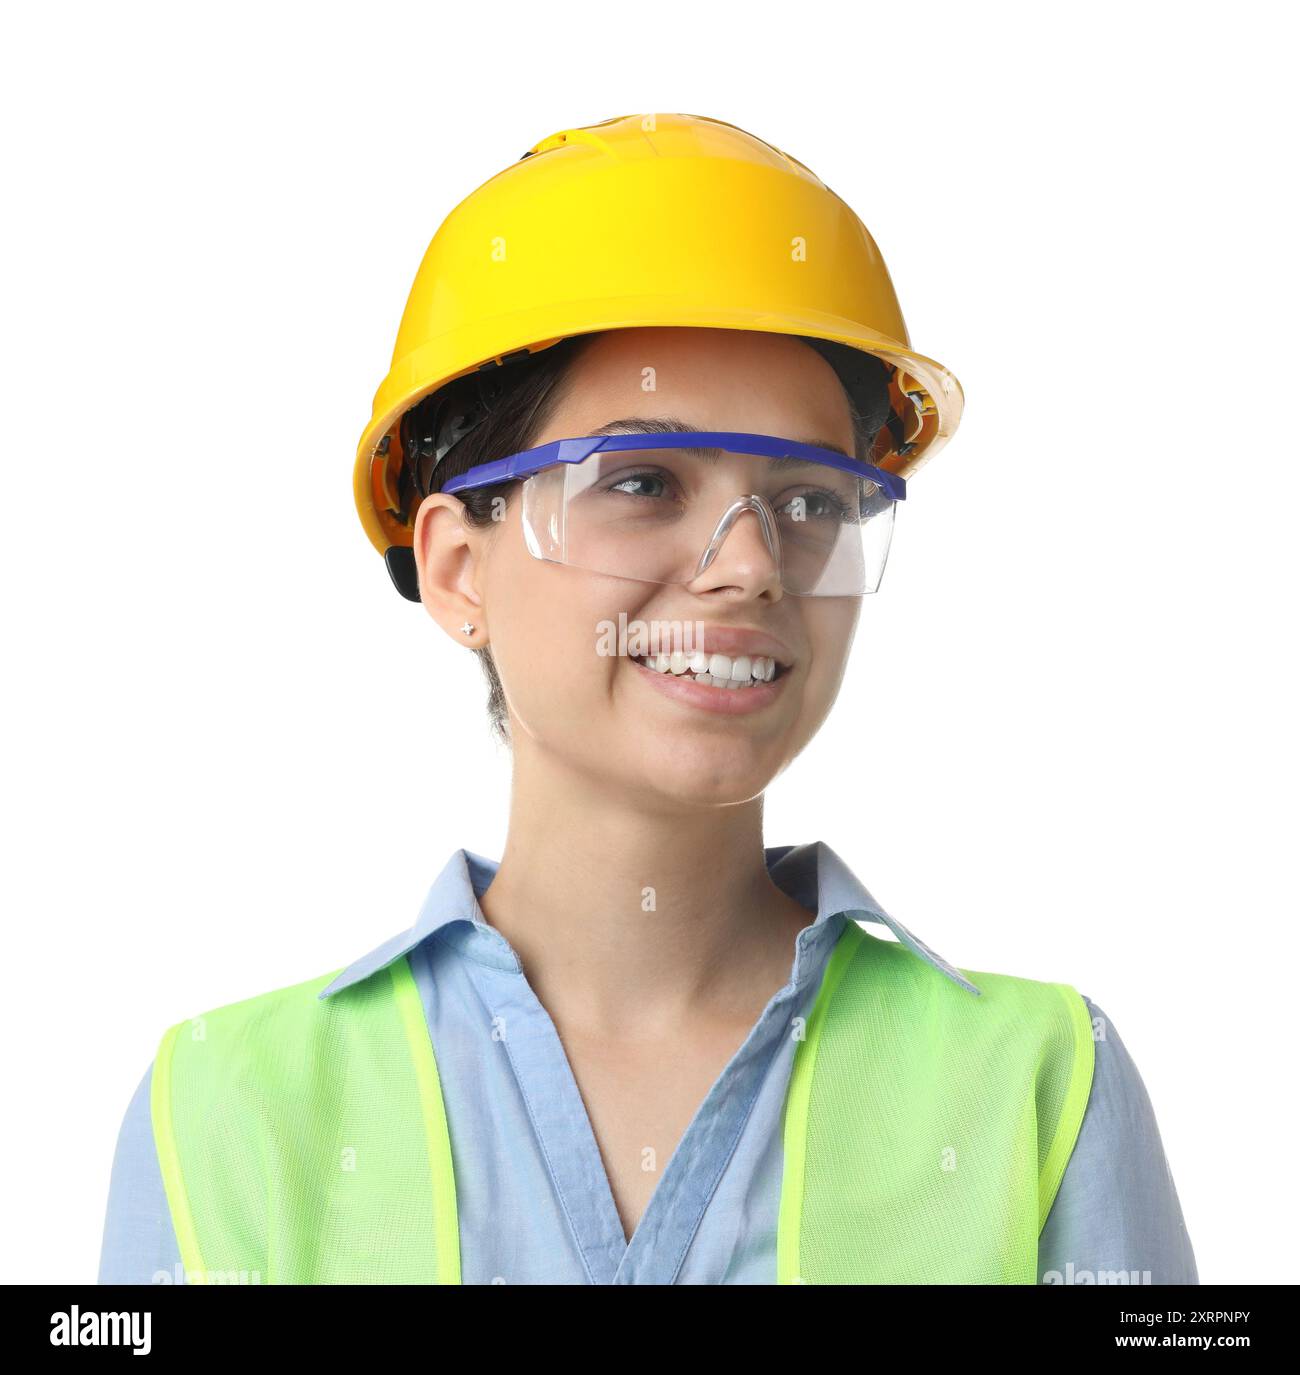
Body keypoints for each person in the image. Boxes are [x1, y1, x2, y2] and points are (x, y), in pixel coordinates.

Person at [97, 113, 1198, 1285]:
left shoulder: (1042, 1086)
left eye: (814, 499)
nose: (753, 564)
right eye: (640, 481)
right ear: (457, 568)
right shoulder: (227, 1112)